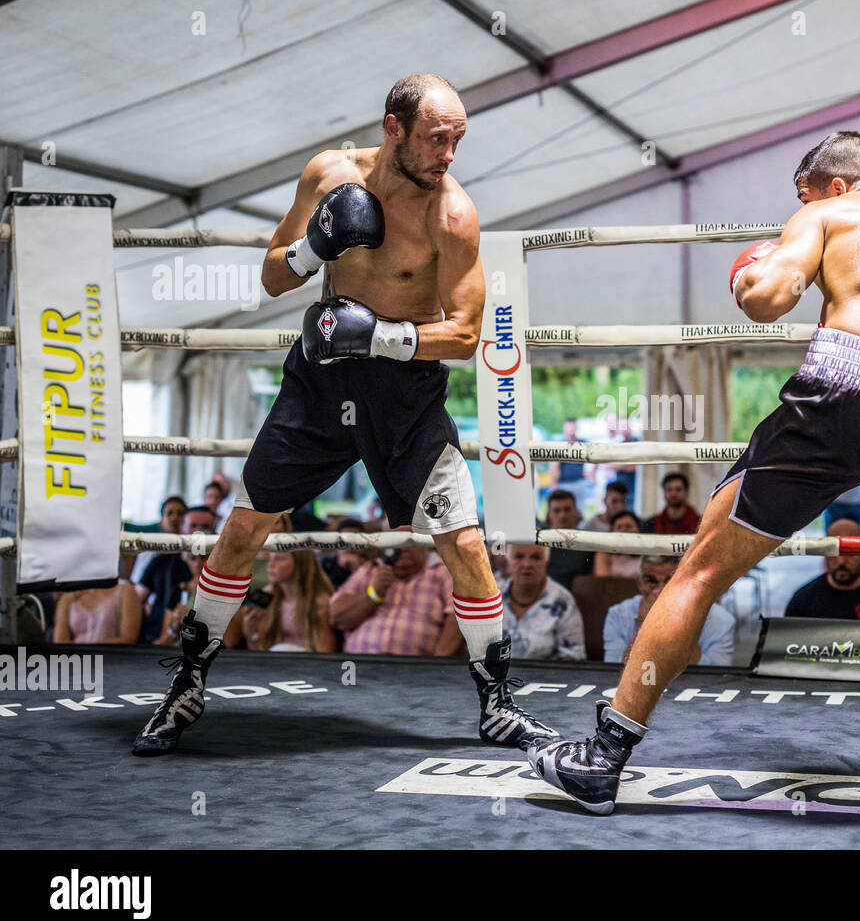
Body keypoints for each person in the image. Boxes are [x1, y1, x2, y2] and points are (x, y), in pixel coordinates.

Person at [531, 130, 860, 813]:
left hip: (843, 391)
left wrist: (756, 270)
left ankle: (604, 757)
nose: (799, 209)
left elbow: (768, 299)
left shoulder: (828, 214)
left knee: (702, 569)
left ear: (834, 186)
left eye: (802, 197)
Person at [132, 74, 555, 756]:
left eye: (458, 138)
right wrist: (314, 249)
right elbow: (272, 277)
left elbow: (468, 332)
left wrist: (381, 336)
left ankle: (498, 704)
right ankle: (186, 685)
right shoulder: (329, 173)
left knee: (467, 544)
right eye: (435, 137)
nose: (449, 152)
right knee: (241, 529)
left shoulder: (452, 215)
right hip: (320, 383)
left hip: (406, 395)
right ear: (393, 127)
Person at [604, 556, 735, 665]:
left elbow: (715, 675)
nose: (660, 591)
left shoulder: (720, 620)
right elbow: (613, 671)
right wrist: (643, 627)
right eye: (651, 581)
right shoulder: (618, 614)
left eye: (670, 581)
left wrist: (683, 626)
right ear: (640, 584)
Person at [330, 546, 459, 655]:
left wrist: (436, 667)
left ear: (422, 541)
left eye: (408, 541)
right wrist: (373, 594)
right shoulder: (371, 568)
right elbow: (337, 617)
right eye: (395, 542)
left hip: (417, 669)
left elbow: (458, 616)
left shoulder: (442, 569)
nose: (402, 548)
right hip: (360, 664)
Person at [135, 505, 215, 643]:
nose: (199, 532)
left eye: (205, 527)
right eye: (193, 525)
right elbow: (136, 599)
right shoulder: (161, 561)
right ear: (182, 528)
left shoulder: (223, 571)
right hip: (157, 639)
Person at [498, 544, 585, 660]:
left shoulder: (563, 601)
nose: (527, 564)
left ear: (546, 563)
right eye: (519, 557)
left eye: (536, 558)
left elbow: (573, 656)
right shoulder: (490, 595)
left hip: (546, 677)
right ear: (508, 563)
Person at [239, 550, 338, 652]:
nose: (270, 565)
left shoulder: (320, 602)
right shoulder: (268, 597)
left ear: (300, 563)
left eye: (279, 558)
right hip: (273, 662)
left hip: (307, 663)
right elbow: (258, 652)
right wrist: (252, 634)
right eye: (270, 558)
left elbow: (326, 651)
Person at [53, 557, 142, 645]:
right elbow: (60, 642)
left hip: (111, 657)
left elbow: (128, 639)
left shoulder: (126, 591)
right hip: (77, 658)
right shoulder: (68, 597)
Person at [542, 489, 596, 589]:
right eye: (556, 510)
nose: (562, 515)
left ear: (576, 511)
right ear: (549, 514)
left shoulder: (588, 542)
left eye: (567, 509)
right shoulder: (538, 542)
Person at [593, 510, 643, 578]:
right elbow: (603, 582)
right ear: (612, 531)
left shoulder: (646, 555)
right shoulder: (604, 554)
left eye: (628, 526)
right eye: (619, 527)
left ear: (638, 529)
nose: (624, 530)